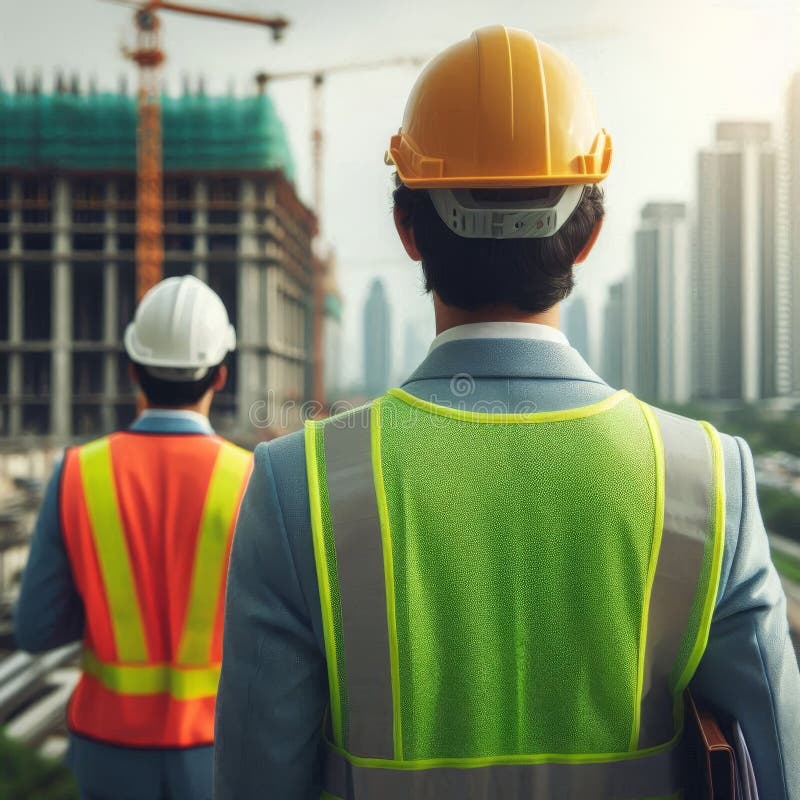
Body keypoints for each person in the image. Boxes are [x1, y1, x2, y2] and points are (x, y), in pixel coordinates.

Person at [214, 25, 800, 799]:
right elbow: (783, 766)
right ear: (587, 236)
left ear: (409, 231)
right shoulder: (708, 482)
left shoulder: (300, 488)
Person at [15, 275, 252, 800]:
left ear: (132, 371)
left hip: (107, 753)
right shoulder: (251, 479)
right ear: (220, 376)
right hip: (217, 748)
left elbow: (34, 629)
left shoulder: (79, 472)